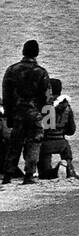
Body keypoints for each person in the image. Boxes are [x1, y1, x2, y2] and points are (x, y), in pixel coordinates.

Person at [2, 40, 51, 185]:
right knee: (34, 143)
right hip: (34, 114)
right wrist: (45, 118)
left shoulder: (11, 70)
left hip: (17, 113)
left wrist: (8, 114)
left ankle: (7, 175)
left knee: (14, 144)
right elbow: (47, 98)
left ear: (23, 51)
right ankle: (29, 174)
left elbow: (6, 95)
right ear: (36, 53)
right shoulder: (41, 72)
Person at [38, 78, 77, 179]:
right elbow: (71, 130)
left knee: (44, 174)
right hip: (61, 143)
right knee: (67, 157)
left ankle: (56, 171)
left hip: (45, 143)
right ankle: (67, 167)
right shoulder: (67, 107)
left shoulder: (43, 105)